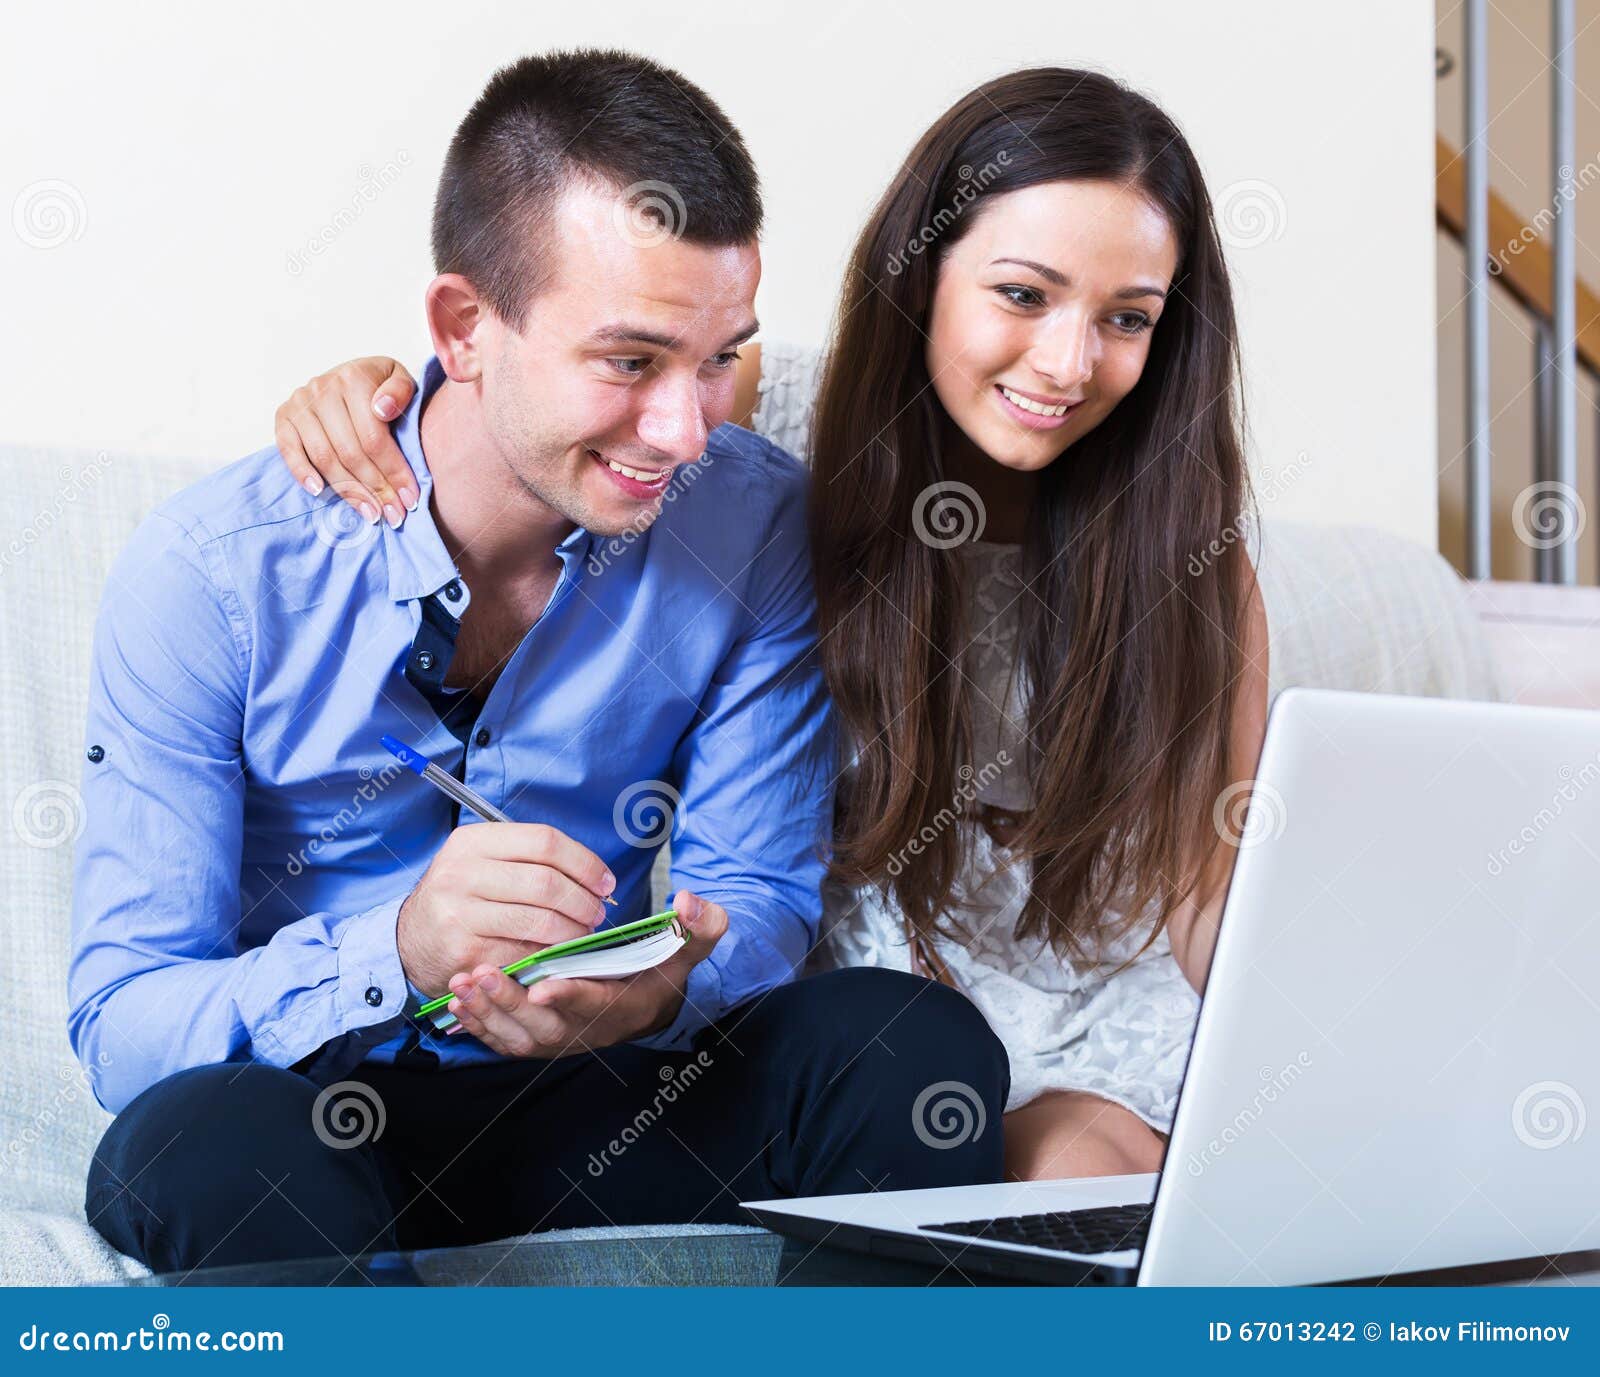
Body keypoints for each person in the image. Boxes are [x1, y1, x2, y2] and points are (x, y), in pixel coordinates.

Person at [71, 49, 1008, 1277]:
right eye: (629, 361)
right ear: (465, 327)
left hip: (596, 1095)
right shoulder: (212, 573)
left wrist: (653, 993)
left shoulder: (754, 523)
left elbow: (758, 892)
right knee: (209, 1146)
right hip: (308, 1124)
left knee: (907, 1045)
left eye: (719, 356)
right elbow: (124, 1022)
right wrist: (394, 950)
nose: (685, 433)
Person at [279, 65, 1270, 1188]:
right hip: (878, 1014)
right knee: (921, 1087)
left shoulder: (1186, 553)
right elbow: (545, 393)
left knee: (1092, 1185)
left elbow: (1213, 895)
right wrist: (363, 391)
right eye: (1023, 295)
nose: (1066, 363)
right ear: (925, 271)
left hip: (1096, 1021)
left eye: (1127, 319)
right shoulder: (759, 428)